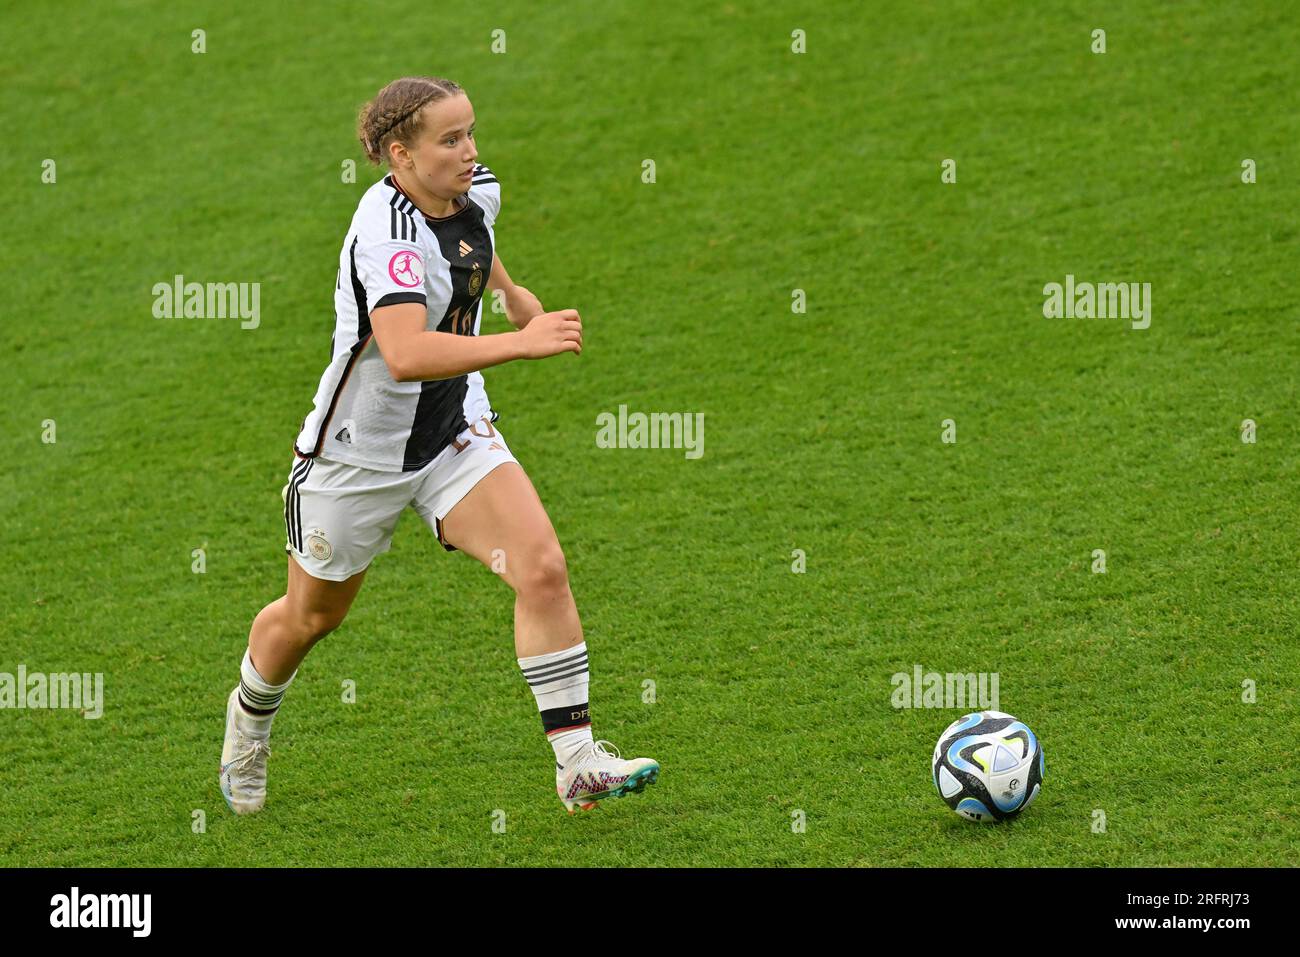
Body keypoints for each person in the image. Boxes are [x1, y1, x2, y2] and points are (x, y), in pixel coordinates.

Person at [220, 76, 658, 816]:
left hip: (452, 428)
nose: (471, 151)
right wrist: (519, 341)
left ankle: (577, 760)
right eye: (450, 140)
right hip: (358, 455)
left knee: (543, 567)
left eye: (471, 131)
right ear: (401, 155)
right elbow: (404, 352)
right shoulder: (383, 232)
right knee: (312, 618)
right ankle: (247, 725)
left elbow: (475, 235)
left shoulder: (471, 187)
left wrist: (509, 289)